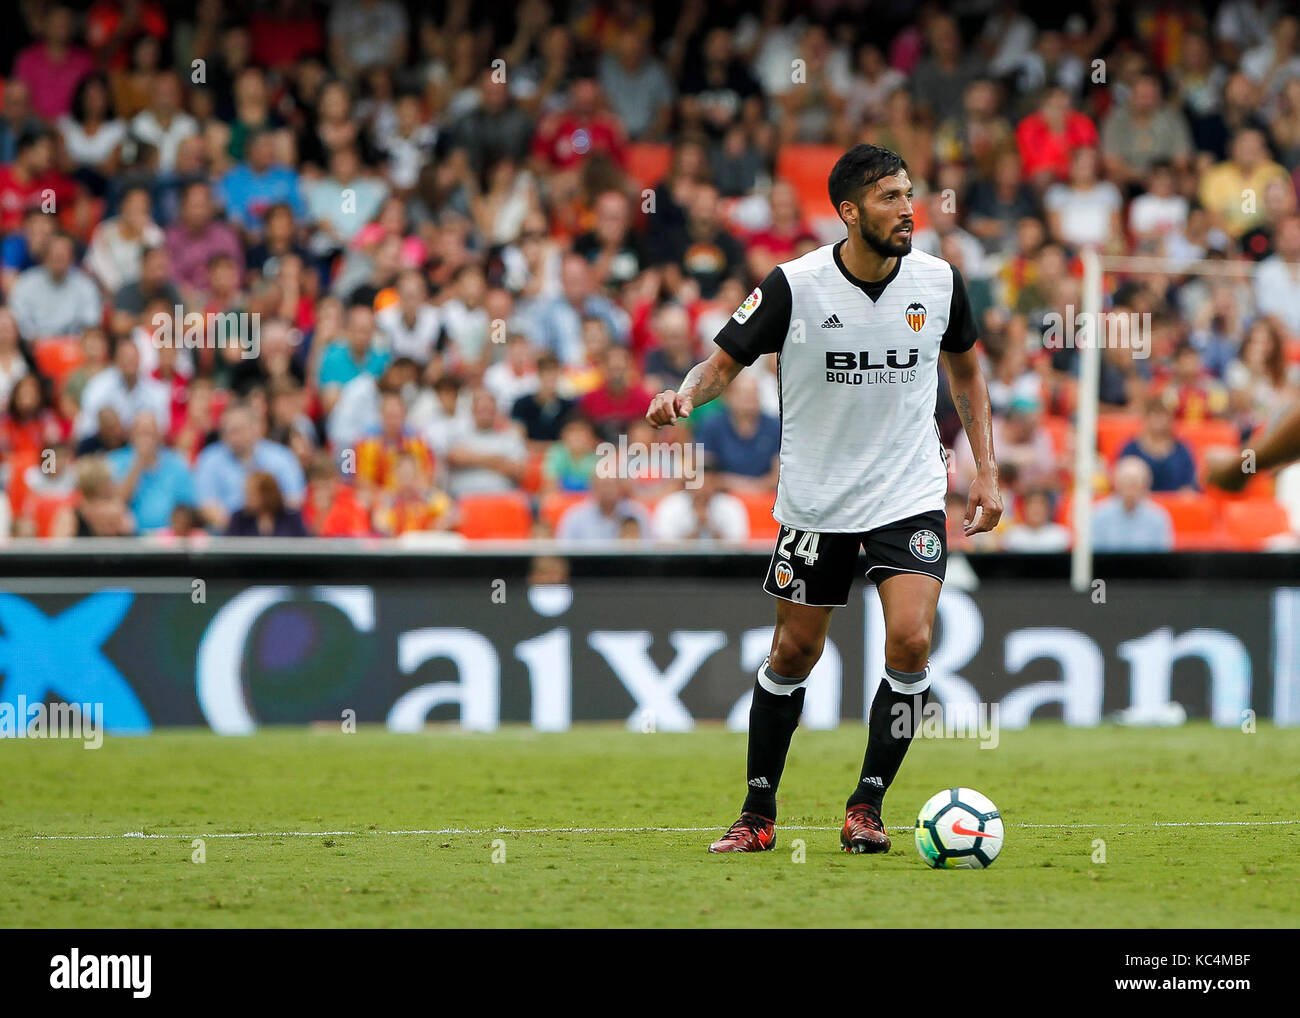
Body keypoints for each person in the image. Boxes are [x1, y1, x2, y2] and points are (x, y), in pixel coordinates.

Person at [645, 144, 1002, 855]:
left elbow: (966, 369)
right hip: (817, 502)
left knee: (911, 639)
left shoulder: (938, 282)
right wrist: (683, 394)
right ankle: (758, 812)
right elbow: (721, 365)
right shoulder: (793, 286)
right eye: (889, 198)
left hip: (908, 490)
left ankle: (866, 805)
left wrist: (986, 470)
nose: (907, 210)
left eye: (909, 194)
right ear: (848, 211)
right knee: (794, 652)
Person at [1091, 457, 1174, 552]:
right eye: (1125, 482)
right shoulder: (1098, 514)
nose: (1130, 488)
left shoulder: (1158, 517)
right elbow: (1092, 554)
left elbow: (1163, 557)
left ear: (1145, 485)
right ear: (1116, 483)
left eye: (1134, 483)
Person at [223, 471, 307, 537]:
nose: (247, 498)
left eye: (251, 494)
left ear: (266, 494)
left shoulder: (291, 518)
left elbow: (305, 546)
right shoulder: (239, 519)